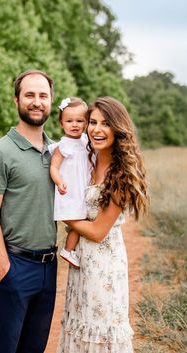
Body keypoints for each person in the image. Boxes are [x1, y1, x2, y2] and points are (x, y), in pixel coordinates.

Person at [57, 96, 149, 353]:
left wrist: (63, 214)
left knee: (98, 327)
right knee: (79, 322)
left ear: (118, 129)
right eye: (93, 122)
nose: (96, 130)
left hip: (105, 266)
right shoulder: (88, 158)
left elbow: (98, 232)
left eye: (106, 124)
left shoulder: (122, 173)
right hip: (81, 261)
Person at [0, 69, 58, 353]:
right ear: (16, 100)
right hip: (14, 264)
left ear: (51, 101)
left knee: (33, 348)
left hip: (49, 265)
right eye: (29, 95)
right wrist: (4, 267)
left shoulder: (57, 152)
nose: (37, 102)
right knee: (2, 347)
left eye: (43, 95)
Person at [49, 97, 90, 269]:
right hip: (71, 190)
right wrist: (59, 182)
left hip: (84, 189)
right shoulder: (63, 145)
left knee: (85, 218)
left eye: (80, 121)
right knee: (80, 220)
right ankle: (68, 249)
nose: (74, 125)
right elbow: (54, 167)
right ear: (61, 123)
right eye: (69, 121)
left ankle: (72, 248)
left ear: (87, 122)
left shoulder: (86, 141)